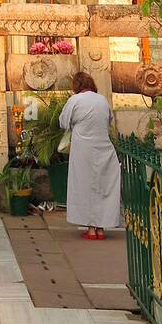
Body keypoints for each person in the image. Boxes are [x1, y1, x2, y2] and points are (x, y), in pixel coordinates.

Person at [58, 72, 123, 240]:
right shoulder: (102, 100)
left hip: (83, 149)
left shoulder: (75, 101)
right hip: (103, 148)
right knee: (103, 186)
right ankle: (100, 228)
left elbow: (63, 122)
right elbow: (108, 121)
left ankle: (91, 228)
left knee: (84, 186)